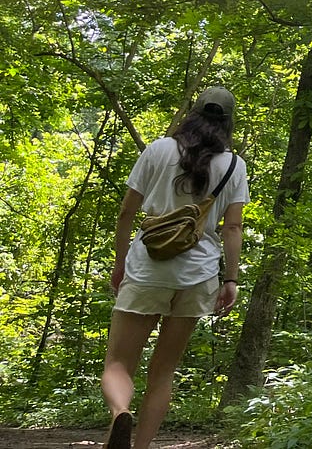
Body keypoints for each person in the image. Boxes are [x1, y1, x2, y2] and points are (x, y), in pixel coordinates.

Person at [102, 86, 250, 449]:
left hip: (148, 267)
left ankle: (121, 411)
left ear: (193, 113)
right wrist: (230, 279)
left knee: (119, 364)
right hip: (198, 275)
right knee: (163, 372)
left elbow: (127, 212)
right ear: (228, 123)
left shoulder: (159, 150)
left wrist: (120, 263)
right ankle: (141, 446)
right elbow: (232, 227)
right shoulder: (234, 164)